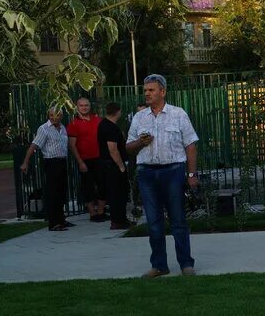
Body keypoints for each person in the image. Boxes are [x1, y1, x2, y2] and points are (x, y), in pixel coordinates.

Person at [125, 74, 200, 277]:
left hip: (173, 171)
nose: (147, 93)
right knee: (154, 222)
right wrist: (141, 142)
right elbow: (128, 147)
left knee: (178, 220)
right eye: (146, 90)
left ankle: (186, 264)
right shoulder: (139, 118)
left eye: (151, 90)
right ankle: (159, 265)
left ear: (163, 91)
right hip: (147, 173)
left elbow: (191, 146)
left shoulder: (178, 114)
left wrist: (191, 174)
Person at [21, 107, 70, 231]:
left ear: (61, 116)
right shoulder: (44, 129)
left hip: (62, 161)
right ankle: (54, 222)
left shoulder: (63, 128)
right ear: (48, 115)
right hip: (51, 162)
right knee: (52, 192)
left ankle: (61, 219)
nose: (54, 117)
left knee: (62, 192)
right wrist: (25, 162)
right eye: (52, 115)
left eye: (57, 115)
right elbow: (34, 146)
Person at [67, 97, 106, 222]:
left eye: (86, 105)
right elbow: (72, 145)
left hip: (100, 158)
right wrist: (80, 162)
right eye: (81, 105)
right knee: (88, 187)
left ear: (90, 106)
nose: (84, 107)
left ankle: (101, 211)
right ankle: (92, 213)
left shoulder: (98, 120)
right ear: (77, 107)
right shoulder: (73, 123)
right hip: (85, 160)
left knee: (103, 185)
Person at [99, 102, 131, 230]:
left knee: (115, 193)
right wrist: (121, 166)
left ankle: (119, 219)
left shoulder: (103, 124)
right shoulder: (111, 127)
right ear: (118, 112)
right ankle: (118, 221)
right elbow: (113, 149)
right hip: (113, 166)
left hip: (107, 165)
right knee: (118, 194)